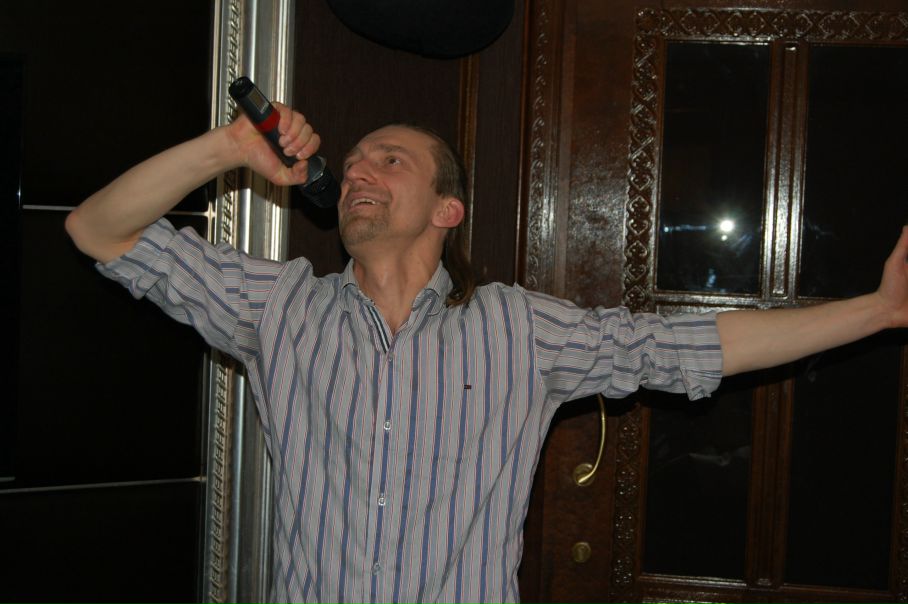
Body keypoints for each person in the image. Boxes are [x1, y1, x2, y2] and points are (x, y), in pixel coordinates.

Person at [65, 103, 908, 604]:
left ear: (448, 209)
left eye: (389, 160)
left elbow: (691, 345)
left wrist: (875, 312)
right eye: (352, 164)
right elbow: (97, 230)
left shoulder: (518, 329)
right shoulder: (277, 307)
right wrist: (229, 150)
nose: (357, 172)